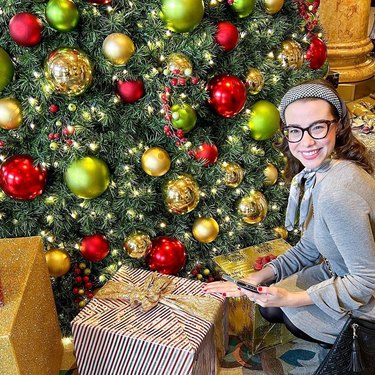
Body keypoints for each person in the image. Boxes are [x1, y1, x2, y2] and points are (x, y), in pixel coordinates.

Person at [203, 79, 375, 347]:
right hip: (339, 272)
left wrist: (290, 299)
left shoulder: (336, 193)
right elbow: (309, 248)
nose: (305, 142)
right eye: (295, 130)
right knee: (270, 304)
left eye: (317, 127)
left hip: (366, 296)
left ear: (338, 125)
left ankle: (357, 344)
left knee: (282, 309)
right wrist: (255, 279)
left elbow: (366, 282)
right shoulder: (327, 170)